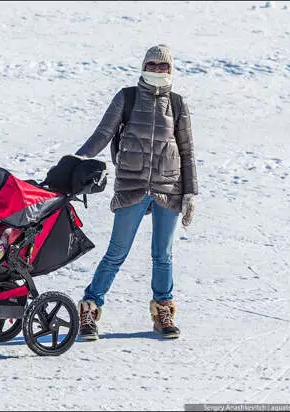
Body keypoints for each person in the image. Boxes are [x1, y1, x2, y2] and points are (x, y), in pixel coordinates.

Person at [74, 44, 198, 340]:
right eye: (151, 64)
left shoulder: (178, 104)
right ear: (143, 67)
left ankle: (163, 311)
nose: (157, 69)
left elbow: (187, 151)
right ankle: (90, 308)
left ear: (170, 70)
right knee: (117, 252)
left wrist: (191, 192)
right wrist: (76, 162)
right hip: (132, 186)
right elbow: (103, 134)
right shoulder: (127, 97)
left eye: (162, 66)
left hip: (169, 188)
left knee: (163, 255)